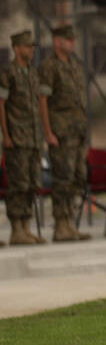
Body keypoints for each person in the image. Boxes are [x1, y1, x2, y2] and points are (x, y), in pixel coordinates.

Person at [37, 23, 91, 243]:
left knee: (78, 176)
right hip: (60, 132)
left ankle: (69, 222)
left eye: (73, 39)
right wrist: (47, 132)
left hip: (77, 131)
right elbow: (43, 101)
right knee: (62, 178)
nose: (72, 43)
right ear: (57, 41)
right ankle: (61, 225)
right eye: (68, 39)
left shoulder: (74, 66)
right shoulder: (49, 66)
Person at [0, 30, 46, 246]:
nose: (31, 50)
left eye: (32, 46)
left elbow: (38, 104)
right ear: (17, 48)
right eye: (28, 46)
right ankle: (16, 229)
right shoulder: (8, 73)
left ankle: (26, 228)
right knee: (18, 184)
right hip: (16, 137)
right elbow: (1, 104)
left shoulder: (32, 73)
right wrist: (6, 134)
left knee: (31, 183)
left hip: (33, 137)